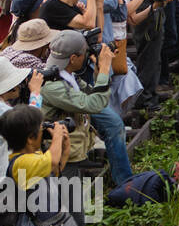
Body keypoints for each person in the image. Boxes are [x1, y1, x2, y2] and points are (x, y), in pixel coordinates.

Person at [40, 28, 133, 186]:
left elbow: (93, 94)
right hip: (59, 152)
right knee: (68, 203)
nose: (86, 56)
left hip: (70, 149)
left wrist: (99, 69)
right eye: (84, 53)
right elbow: (94, 104)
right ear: (74, 58)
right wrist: (105, 68)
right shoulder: (53, 86)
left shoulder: (67, 75)